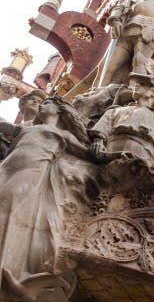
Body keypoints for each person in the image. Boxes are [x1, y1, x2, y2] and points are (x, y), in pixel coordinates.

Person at [0, 99, 92, 280]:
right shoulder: (25, 129)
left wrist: (99, 141)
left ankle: (7, 262)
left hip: (32, 170)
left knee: (11, 209)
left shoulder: (64, 134)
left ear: (60, 111)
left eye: (48, 103)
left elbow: (89, 154)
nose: (42, 105)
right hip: (7, 166)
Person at [90, 74, 154, 191]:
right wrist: (98, 141)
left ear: (153, 93)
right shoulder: (115, 110)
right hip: (109, 153)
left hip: (142, 159)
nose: (136, 85)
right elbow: (101, 130)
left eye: (142, 84)